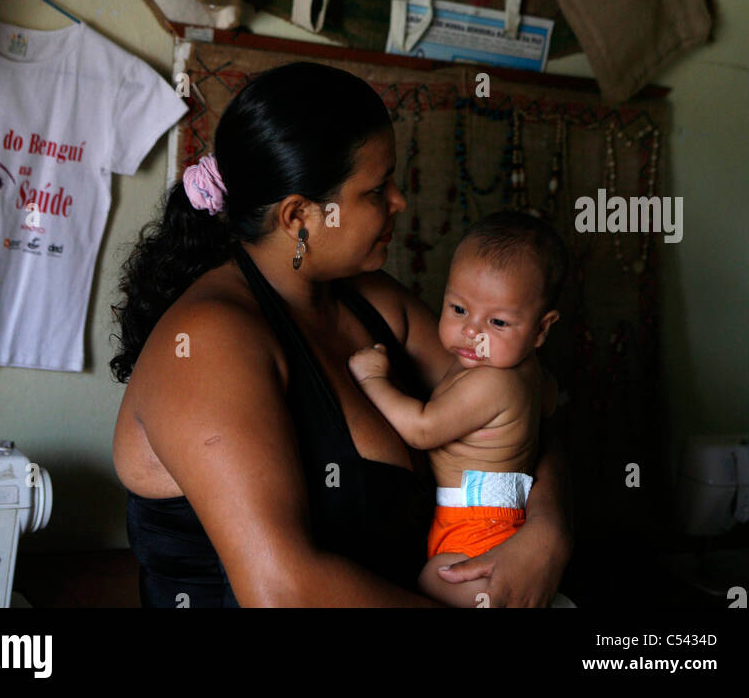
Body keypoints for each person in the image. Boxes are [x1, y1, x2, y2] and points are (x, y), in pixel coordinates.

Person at [110, 61, 572, 607]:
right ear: (300, 216)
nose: (399, 202)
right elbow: (282, 592)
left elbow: (529, 402)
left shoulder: (371, 297)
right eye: (377, 190)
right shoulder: (207, 341)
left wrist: (547, 533)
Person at [349, 212, 568, 607]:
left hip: (480, 532)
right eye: (458, 309)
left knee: (436, 581)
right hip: (486, 520)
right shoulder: (532, 374)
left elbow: (421, 429)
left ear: (541, 329)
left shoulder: (492, 381)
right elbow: (549, 405)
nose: (472, 332)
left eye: (498, 321)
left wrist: (373, 382)